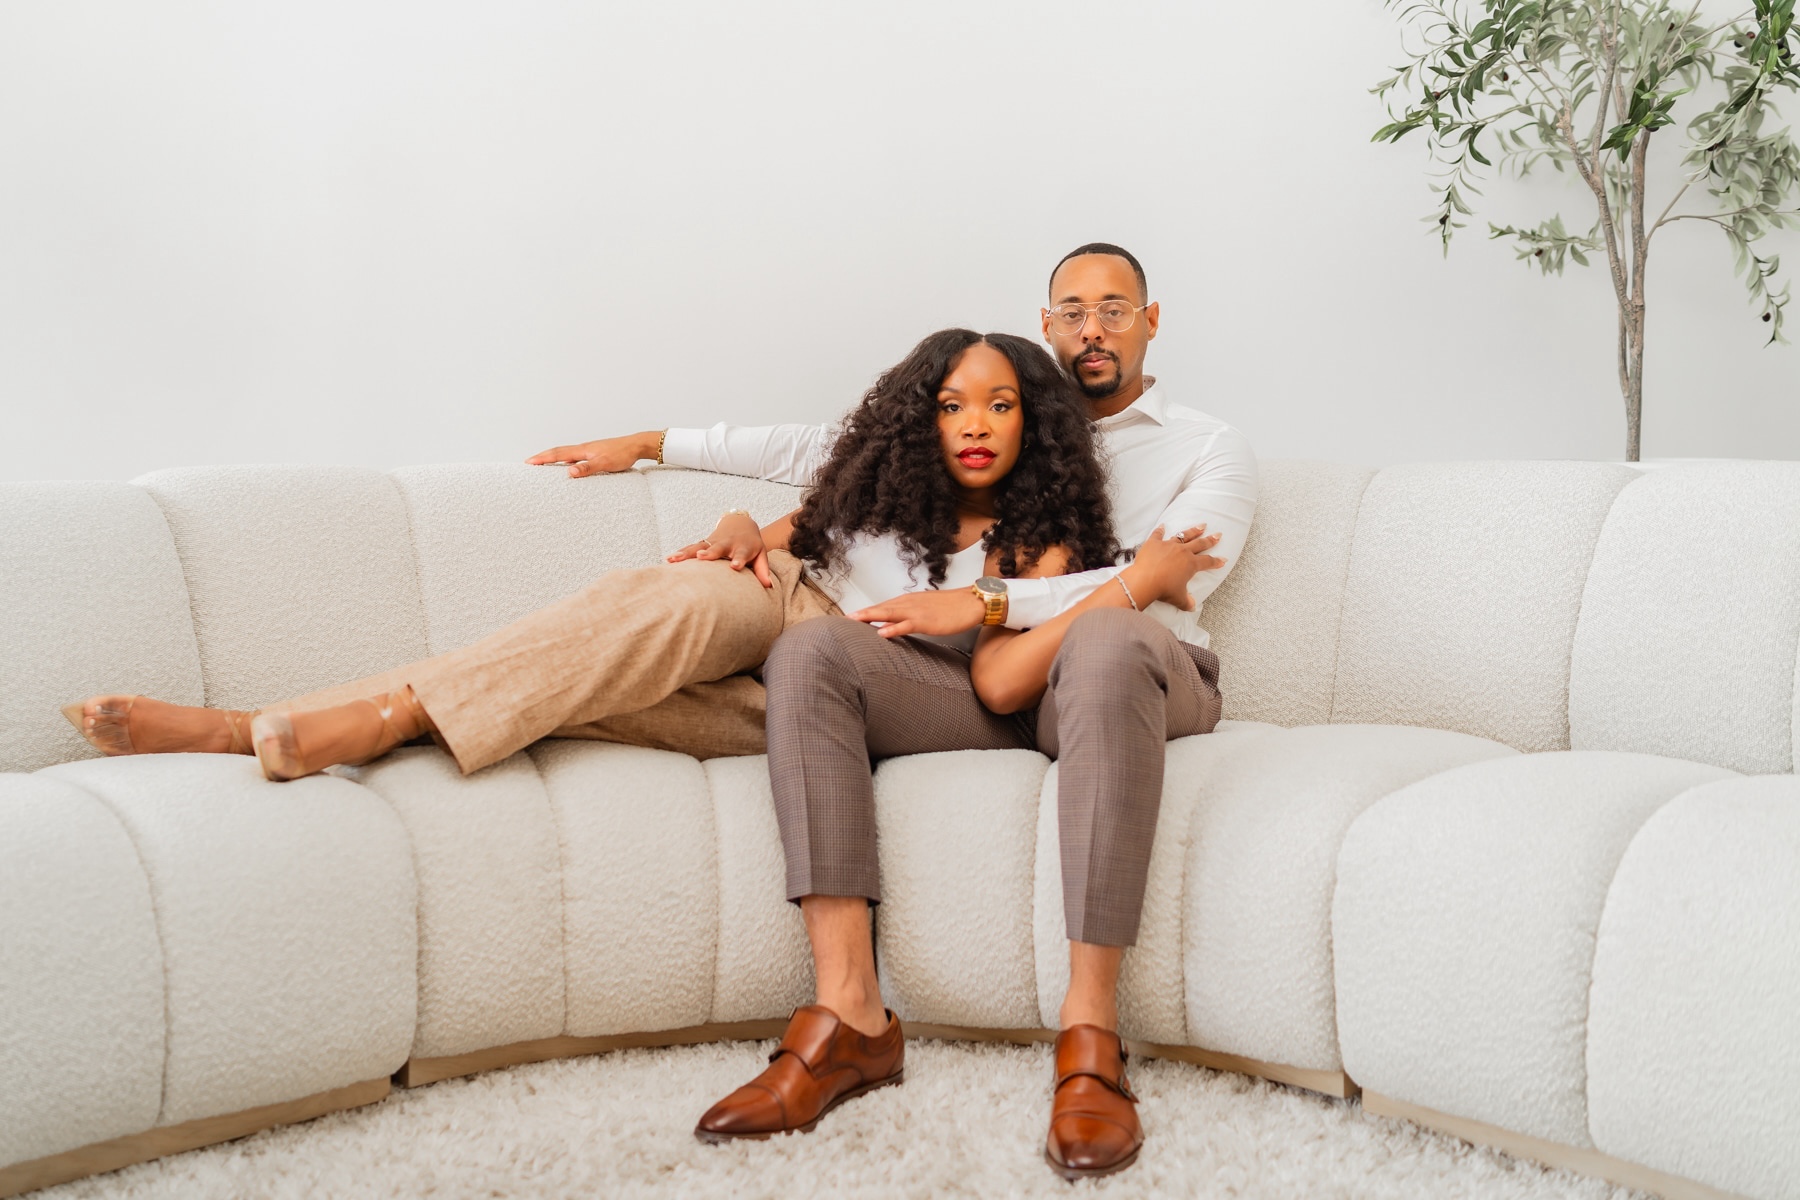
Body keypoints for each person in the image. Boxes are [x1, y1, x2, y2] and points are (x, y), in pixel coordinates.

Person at [551, 244, 1257, 1180]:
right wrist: (655, 443)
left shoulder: (1206, 447)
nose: (1093, 329)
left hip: (1139, 669)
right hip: (1008, 675)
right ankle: (850, 1017)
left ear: (1148, 320)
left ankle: (1091, 1040)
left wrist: (990, 602)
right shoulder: (1009, 431)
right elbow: (821, 451)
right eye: (1074, 311)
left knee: (1107, 640)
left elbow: (1169, 581)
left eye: (1115, 310)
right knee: (813, 650)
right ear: (1045, 329)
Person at [59, 330, 1140, 791]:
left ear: (1034, 422)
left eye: (1001, 405)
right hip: (782, 611)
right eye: (953, 405)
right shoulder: (882, 488)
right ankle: (311, 725)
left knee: (572, 688)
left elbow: (1014, 664)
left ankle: (252, 729)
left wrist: (982, 607)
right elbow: (777, 544)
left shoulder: (1047, 535)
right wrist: (734, 537)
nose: (977, 425)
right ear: (923, 419)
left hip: (859, 691)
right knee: (665, 612)